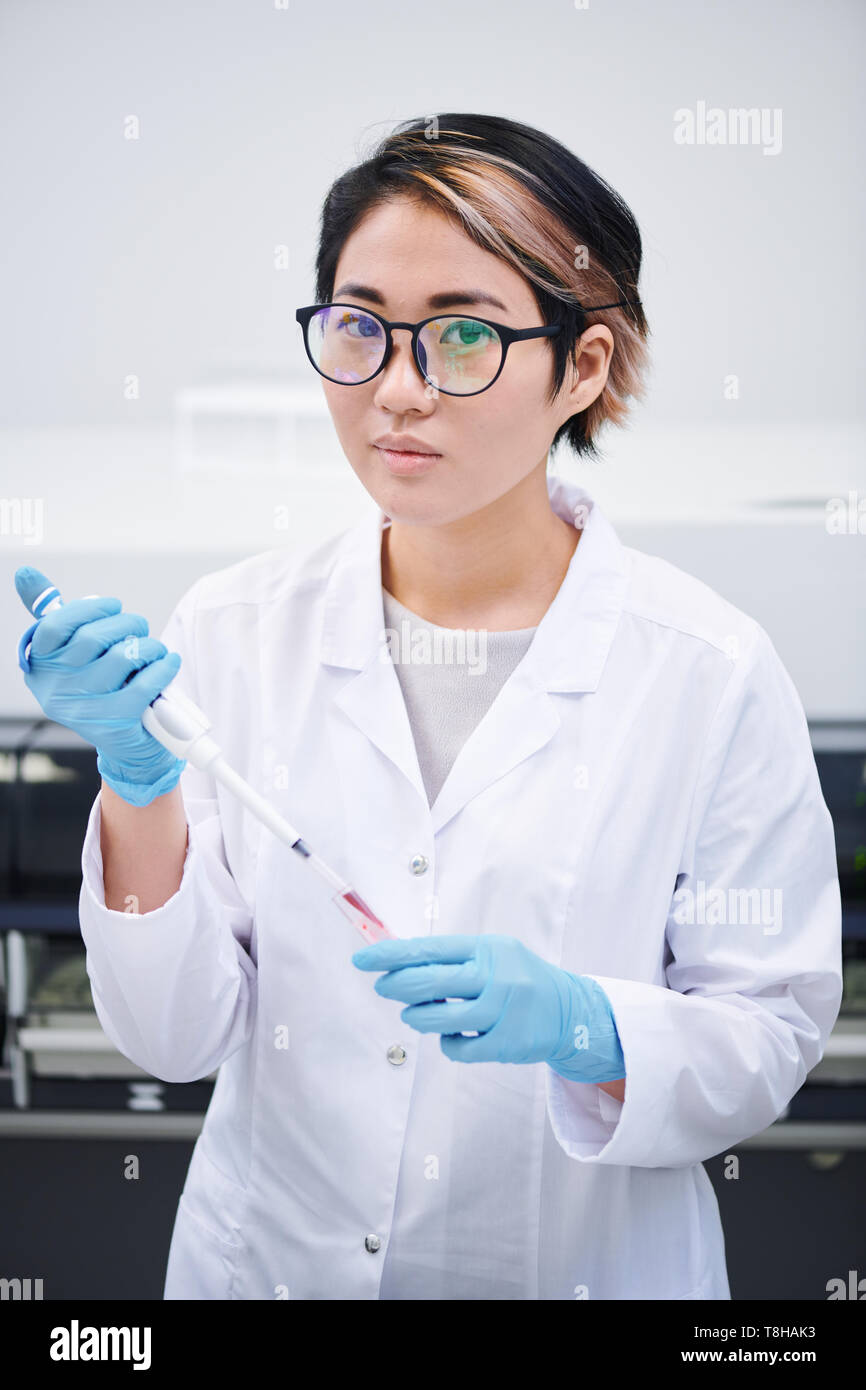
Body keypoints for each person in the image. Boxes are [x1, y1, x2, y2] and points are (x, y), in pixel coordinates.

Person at [21, 113, 841, 1300]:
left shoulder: (706, 668)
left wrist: (583, 1026)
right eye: (360, 328)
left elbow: (768, 1030)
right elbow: (169, 1039)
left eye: (462, 335)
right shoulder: (233, 627)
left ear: (586, 366)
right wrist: (135, 784)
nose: (397, 389)